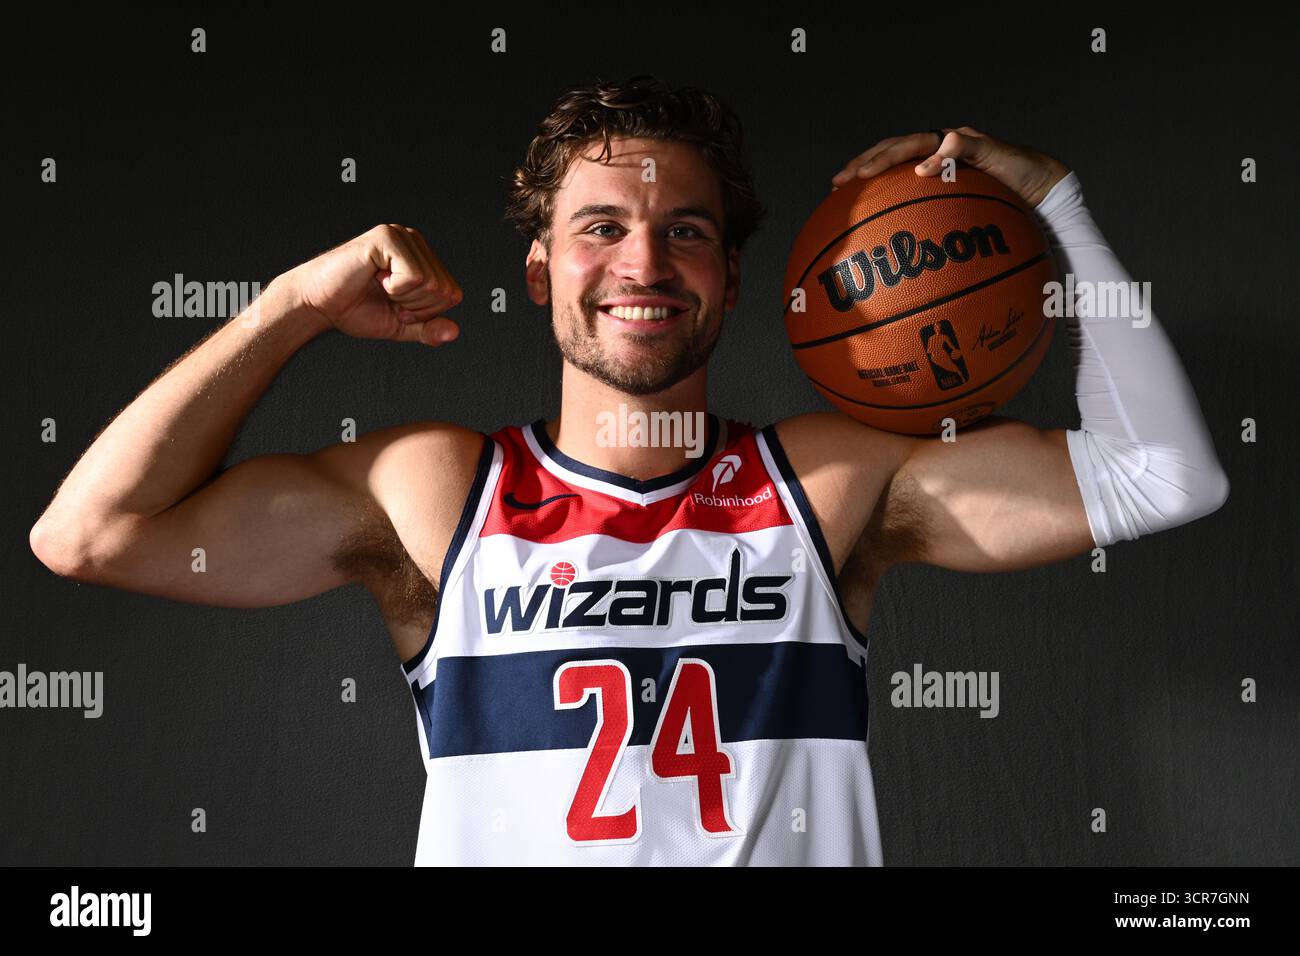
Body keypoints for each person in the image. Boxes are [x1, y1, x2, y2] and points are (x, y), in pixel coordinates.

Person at [29, 76, 1229, 865]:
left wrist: (1052, 205)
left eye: (686, 229)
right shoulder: (436, 491)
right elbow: (87, 532)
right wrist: (291, 304)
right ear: (543, 268)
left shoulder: (824, 485)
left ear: (735, 279)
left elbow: (1165, 475)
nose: (644, 260)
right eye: (601, 226)